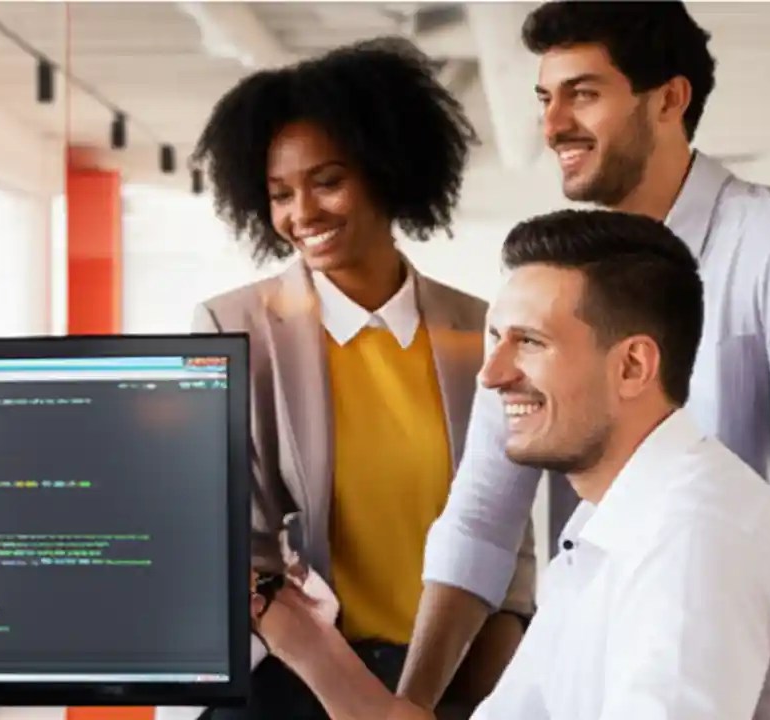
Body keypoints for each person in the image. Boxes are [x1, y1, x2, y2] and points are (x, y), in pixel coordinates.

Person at [399, 2, 770, 709]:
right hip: (609, 639)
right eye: (545, 99)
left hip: (742, 646)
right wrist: (411, 703)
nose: (553, 125)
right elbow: (482, 515)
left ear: (669, 100)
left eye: (582, 93)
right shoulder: (560, 280)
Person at [255, 209, 770, 720]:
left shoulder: (695, 541)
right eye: (496, 338)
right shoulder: (606, 525)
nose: (491, 374)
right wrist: (315, 651)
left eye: (530, 342)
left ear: (633, 367)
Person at [188, 38, 536, 719]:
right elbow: (237, 555)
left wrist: (449, 699)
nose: (302, 213)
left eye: (327, 181)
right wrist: (359, 703)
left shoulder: (480, 330)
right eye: (279, 194)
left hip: (456, 679)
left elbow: (507, 544)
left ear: (387, 170)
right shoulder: (236, 329)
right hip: (302, 681)